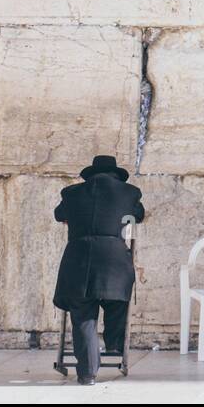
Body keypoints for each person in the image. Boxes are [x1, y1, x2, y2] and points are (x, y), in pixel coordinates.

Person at [53, 155, 145, 385]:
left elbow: (59, 215)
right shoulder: (129, 193)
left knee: (82, 314)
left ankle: (87, 373)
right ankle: (114, 343)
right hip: (114, 260)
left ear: (90, 174)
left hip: (78, 259)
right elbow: (138, 216)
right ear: (116, 174)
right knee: (117, 300)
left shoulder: (71, 194)